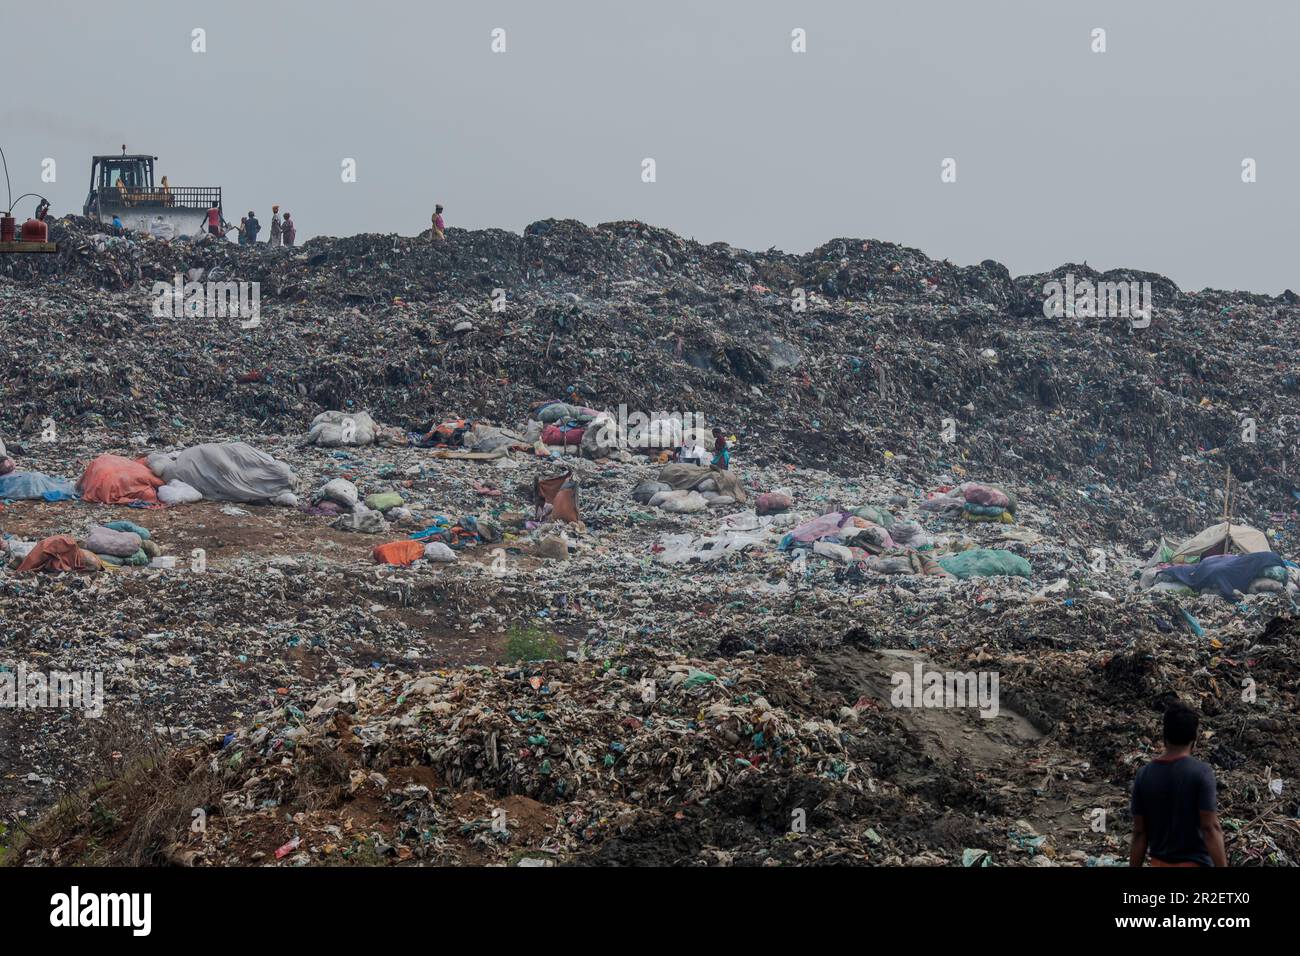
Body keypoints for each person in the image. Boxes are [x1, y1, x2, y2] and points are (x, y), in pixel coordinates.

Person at [1129, 702, 1227, 867]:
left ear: (1164, 735)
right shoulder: (1201, 773)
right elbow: (1210, 828)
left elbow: (1140, 834)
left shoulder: (1144, 775)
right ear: (1194, 738)